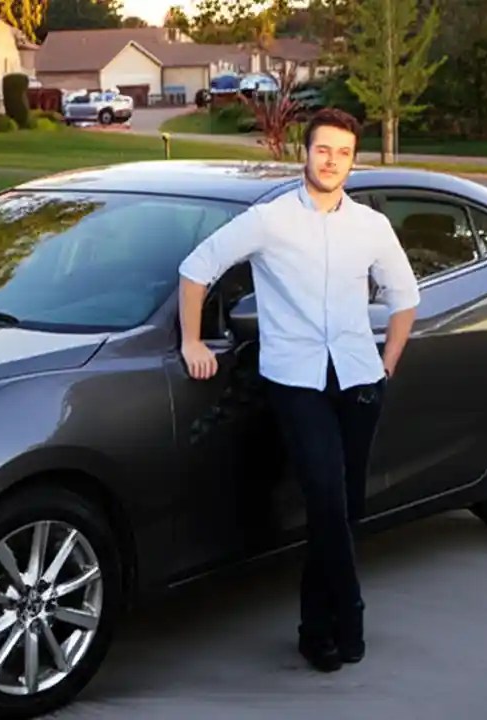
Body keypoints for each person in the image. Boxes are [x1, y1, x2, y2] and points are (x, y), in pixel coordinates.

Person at [175, 107, 420, 672]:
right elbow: (196, 268)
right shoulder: (270, 220)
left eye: (343, 153)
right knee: (326, 498)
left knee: (346, 507)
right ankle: (350, 613)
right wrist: (191, 341)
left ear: (353, 162)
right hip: (296, 382)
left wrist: (387, 363)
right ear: (304, 153)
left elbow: (404, 297)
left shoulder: (371, 226)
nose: (331, 161)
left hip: (358, 380)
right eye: (323, 150)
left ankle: (316, 630)